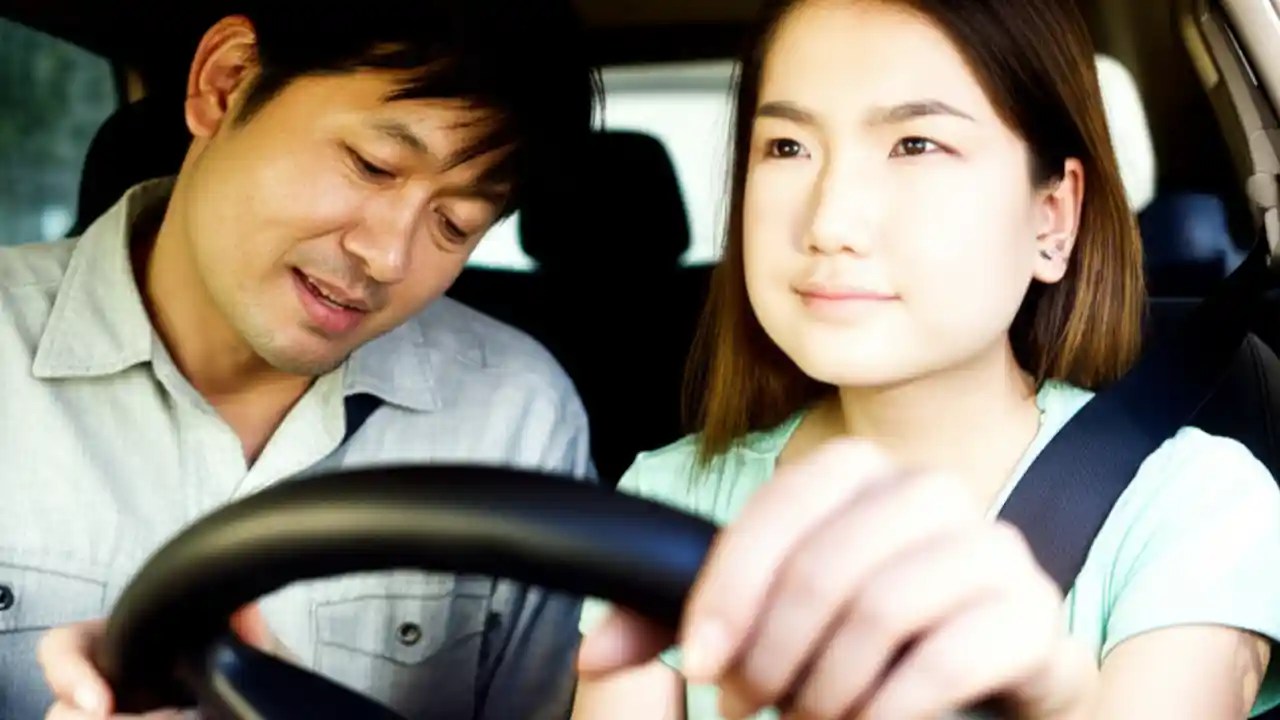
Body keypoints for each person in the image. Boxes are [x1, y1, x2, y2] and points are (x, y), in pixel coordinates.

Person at [572, 0, 1280, 718]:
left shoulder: (1196, 506)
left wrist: (1056, 703)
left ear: (1052, 216)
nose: (830, 223)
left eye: (917, 144)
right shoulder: (667, 498)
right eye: (787, 147)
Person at [1, 2, 601, 719]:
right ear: (225, 84)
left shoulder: (516, 419)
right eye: (373, 166)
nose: (387, 257)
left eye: (454, 224)